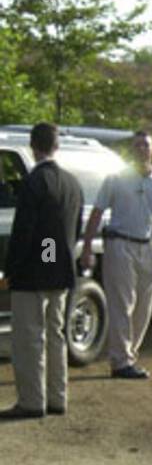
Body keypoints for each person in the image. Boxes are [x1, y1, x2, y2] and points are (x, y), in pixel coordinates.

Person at [78, 131, 152, 379]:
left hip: (146, 245)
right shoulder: (116, 178)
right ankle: (120, 360)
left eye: (145, 145)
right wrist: (87, 247)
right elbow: (96, 213)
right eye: (136, 145)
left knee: (144, 305)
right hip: (119, 243)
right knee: (122, 303)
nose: (141, 149)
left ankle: (129, 355)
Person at [1, 123, 84, 419]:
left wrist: (11, 269)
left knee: (30, 339)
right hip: (60, 271)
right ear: (56, 146)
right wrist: (54, 259)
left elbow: (26, 231)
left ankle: (32, 401)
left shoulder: (34, 182)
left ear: (33, 146)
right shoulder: (73, 183)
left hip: (34, 274)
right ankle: (57, 397)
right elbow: (71, 231)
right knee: (56, 336)